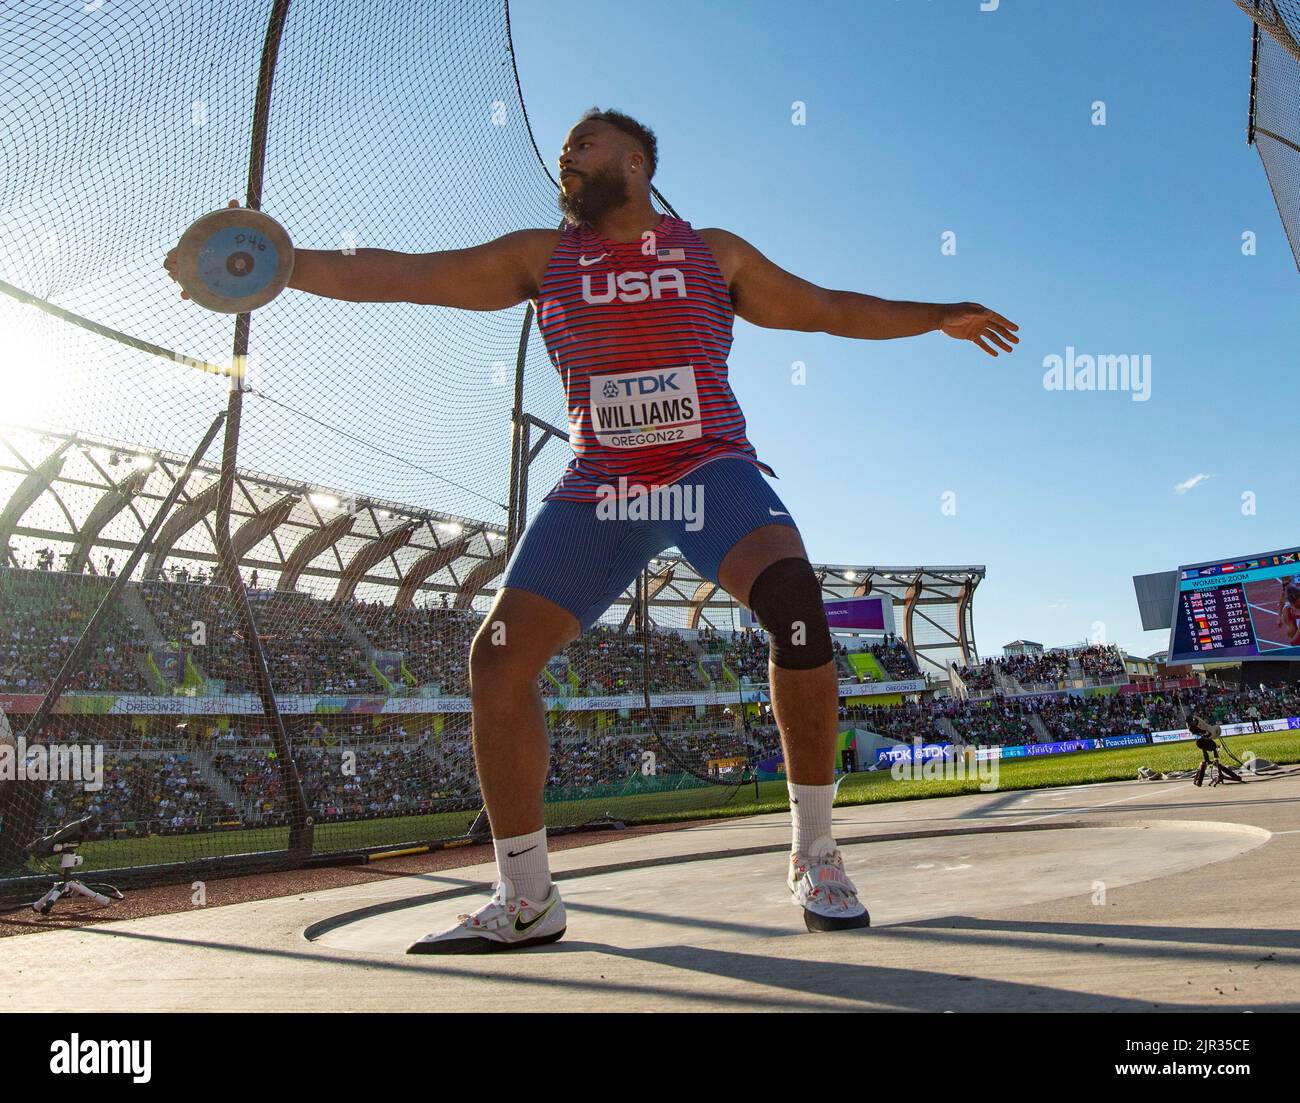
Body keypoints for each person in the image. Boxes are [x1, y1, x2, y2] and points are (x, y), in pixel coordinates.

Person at [165, 108, 1017, 953]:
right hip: (601, 486)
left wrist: (939, 312)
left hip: (705, 472)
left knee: (796, 604)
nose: (566, 157)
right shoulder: (543, 256)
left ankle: (816, 851)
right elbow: (410, 273)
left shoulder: (713, 252)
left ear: (638, 162)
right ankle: (527, 896)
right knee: (497, 658)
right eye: (566, 148)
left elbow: (826, 307)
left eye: (584, 144)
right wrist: (279, 264)